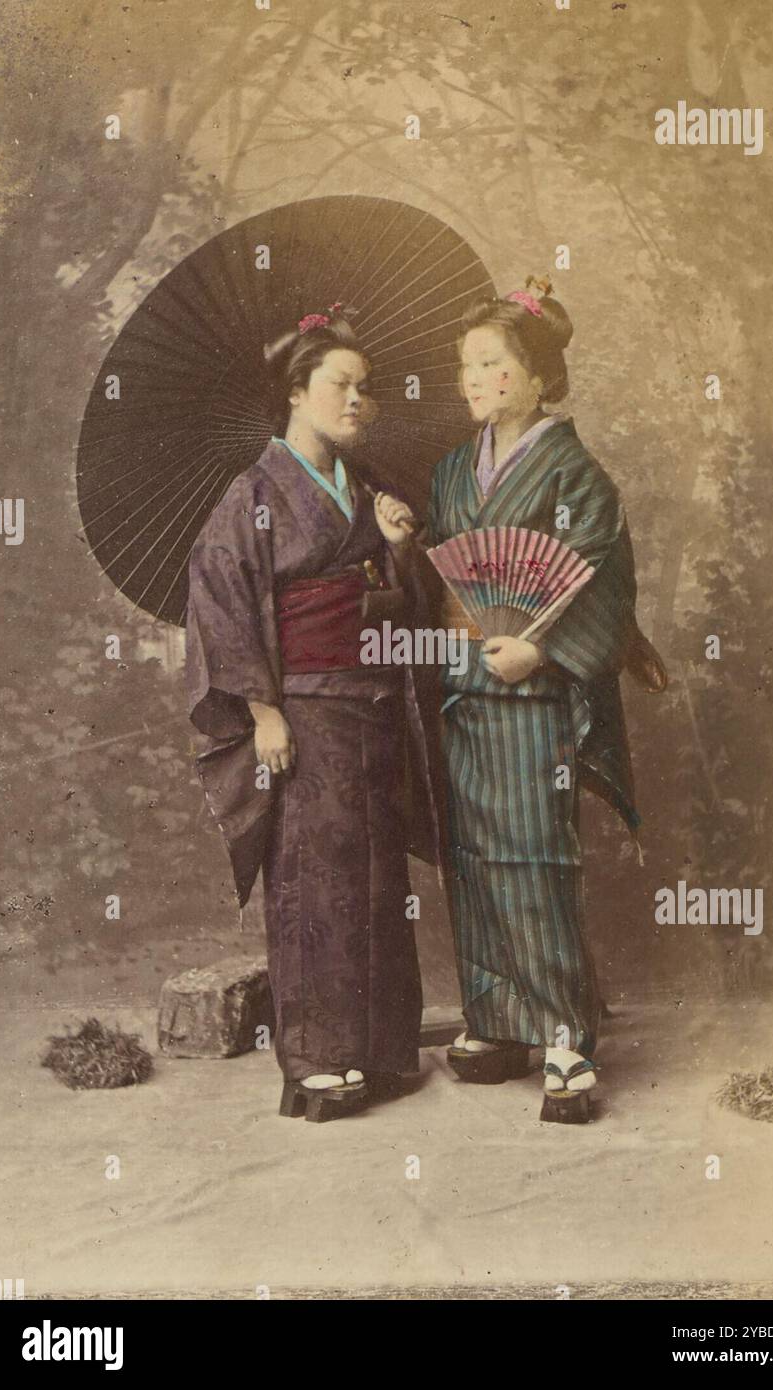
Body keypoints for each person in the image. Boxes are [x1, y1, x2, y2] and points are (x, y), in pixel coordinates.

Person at [387, 277, 657, 1122]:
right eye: (465, 365)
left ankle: (566, 1036)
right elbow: (441, 577)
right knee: (472, 860)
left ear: (539, 377)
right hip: (466, 685)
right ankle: (498, 1020)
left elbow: (600, 575)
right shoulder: (449, 473)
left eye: (492, 364)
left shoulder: (574, 472)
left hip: (534, 691)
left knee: (535, 859)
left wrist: (538, 644)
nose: (472, 379)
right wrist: (405, 544)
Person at [184, 305, 442, 1123]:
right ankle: (319, 1060)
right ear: (296, 393)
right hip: (300, 706)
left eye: (365, 389)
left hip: (370, 706)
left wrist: (398, 551)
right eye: (340, 386)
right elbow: (222, 596)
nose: (358, 402)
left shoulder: (363, 494)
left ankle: (382, 1048)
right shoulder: (255, 493)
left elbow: (396, 608)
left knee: (374, 877)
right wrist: (262, 711)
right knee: (311, 877)